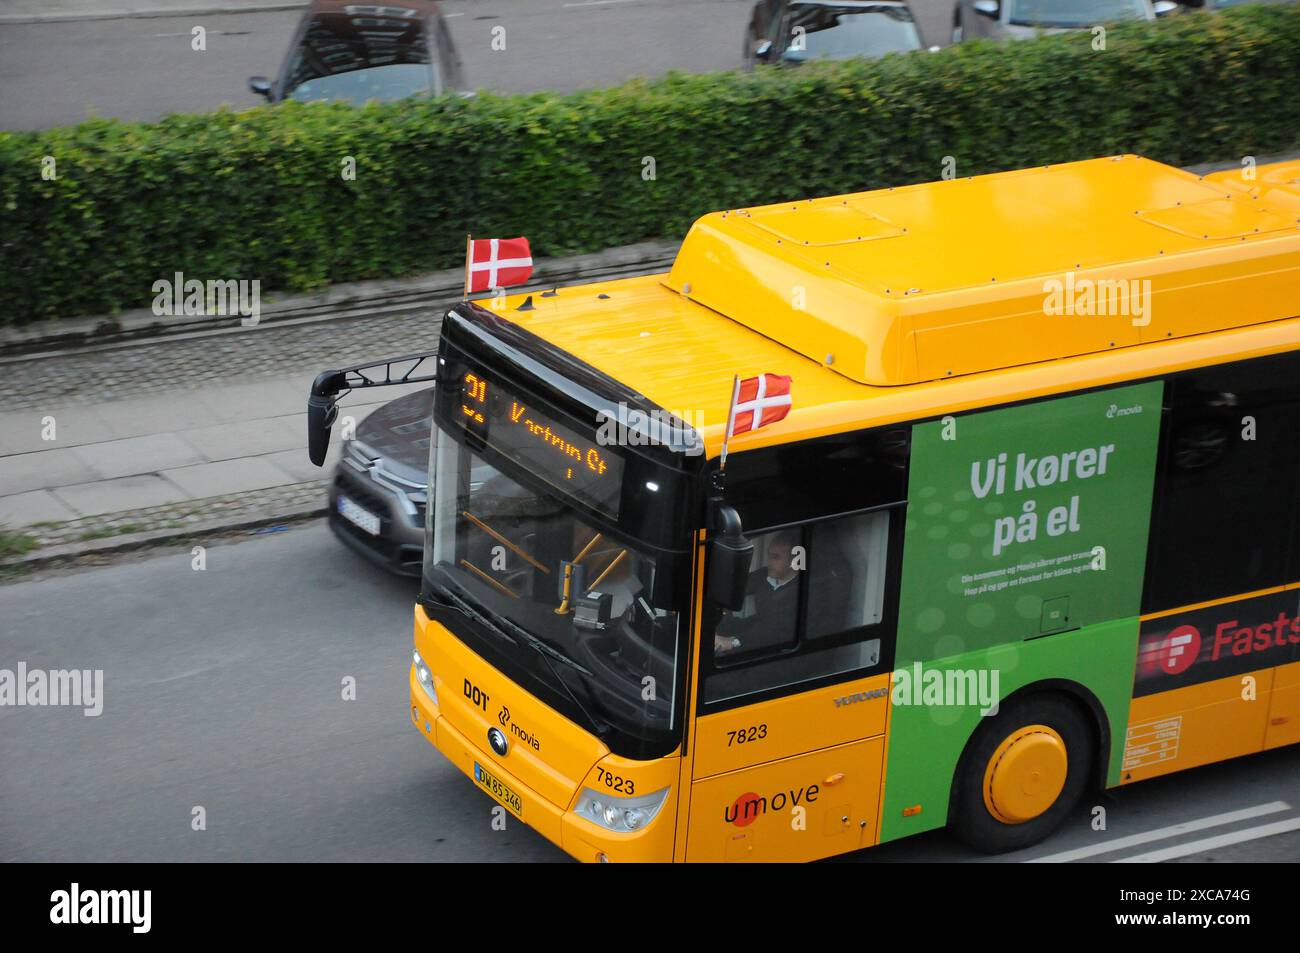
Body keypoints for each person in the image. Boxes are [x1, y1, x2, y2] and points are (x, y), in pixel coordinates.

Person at [714, 531, 800, 657]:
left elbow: (775, 631)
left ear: (794, 560)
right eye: (769, 556)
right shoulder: (765, 575)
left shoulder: (801, 590)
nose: (769, 561)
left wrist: (732, 642)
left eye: (776, 557)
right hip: (757, 628)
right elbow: (735, 587)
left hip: (778, 648)